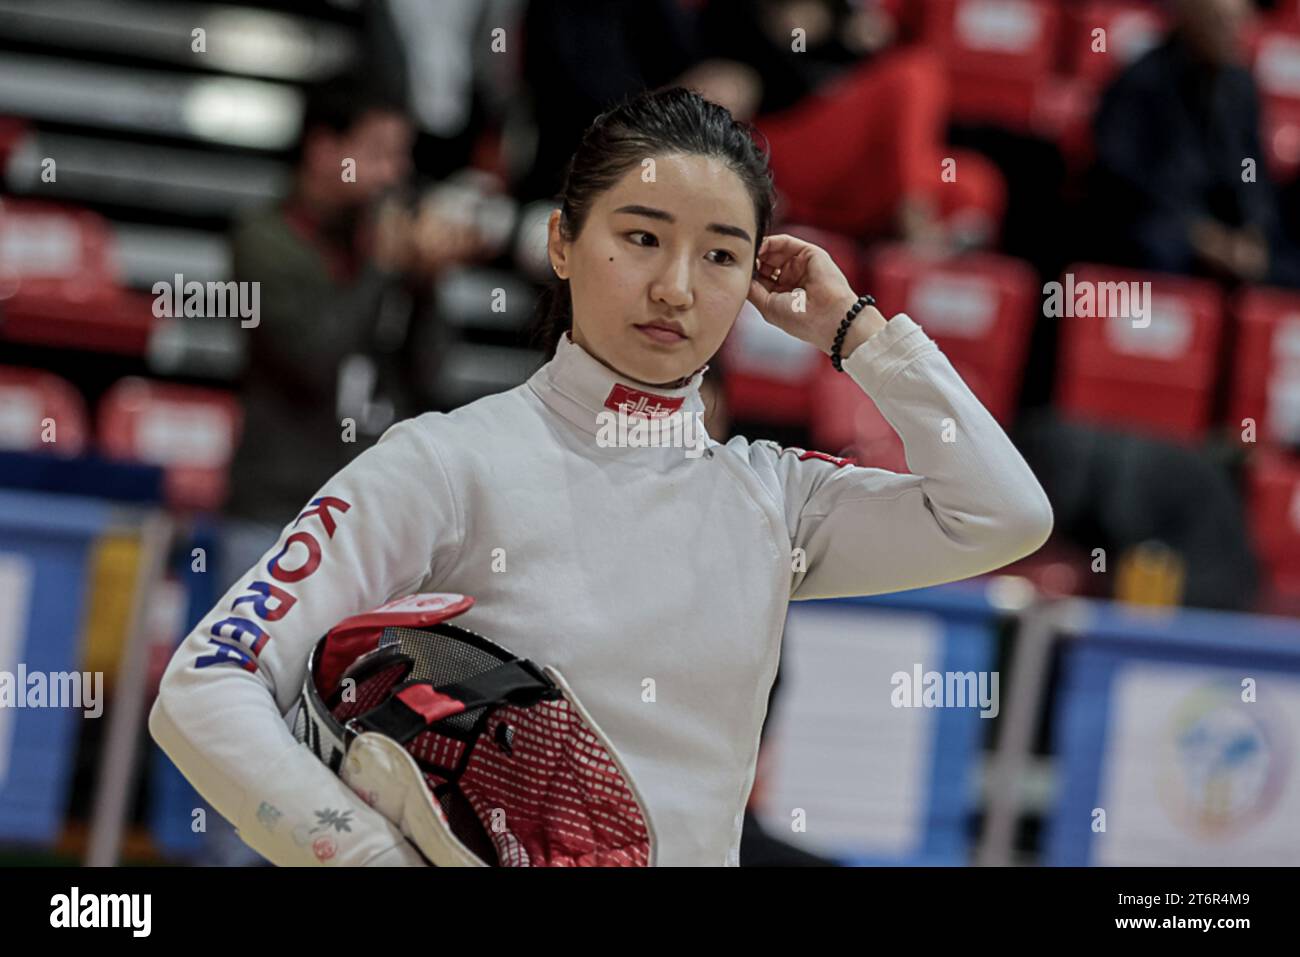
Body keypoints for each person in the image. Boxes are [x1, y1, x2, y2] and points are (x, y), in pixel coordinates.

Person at [150, 87, 1053, 867]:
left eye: (720, 255)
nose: (674, 287)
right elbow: (205, 684)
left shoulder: (773, 500)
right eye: (641, 237)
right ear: (561, 243)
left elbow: (1002, 515)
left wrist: (857, 333)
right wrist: (367, 853)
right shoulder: (447, 463)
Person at [1088, 0, 1300, 288]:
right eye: (1218, 20)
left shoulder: (1240, 88)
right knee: (1159, 248)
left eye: (1237, 21)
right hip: (1166, 223)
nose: (1230, 30)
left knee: (1286, 267)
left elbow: (1250, 170)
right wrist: (1200, 235)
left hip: (1223, 229)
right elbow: (1126, 178)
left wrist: (1254, 231)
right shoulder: (1142, 80)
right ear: (1188, 16)